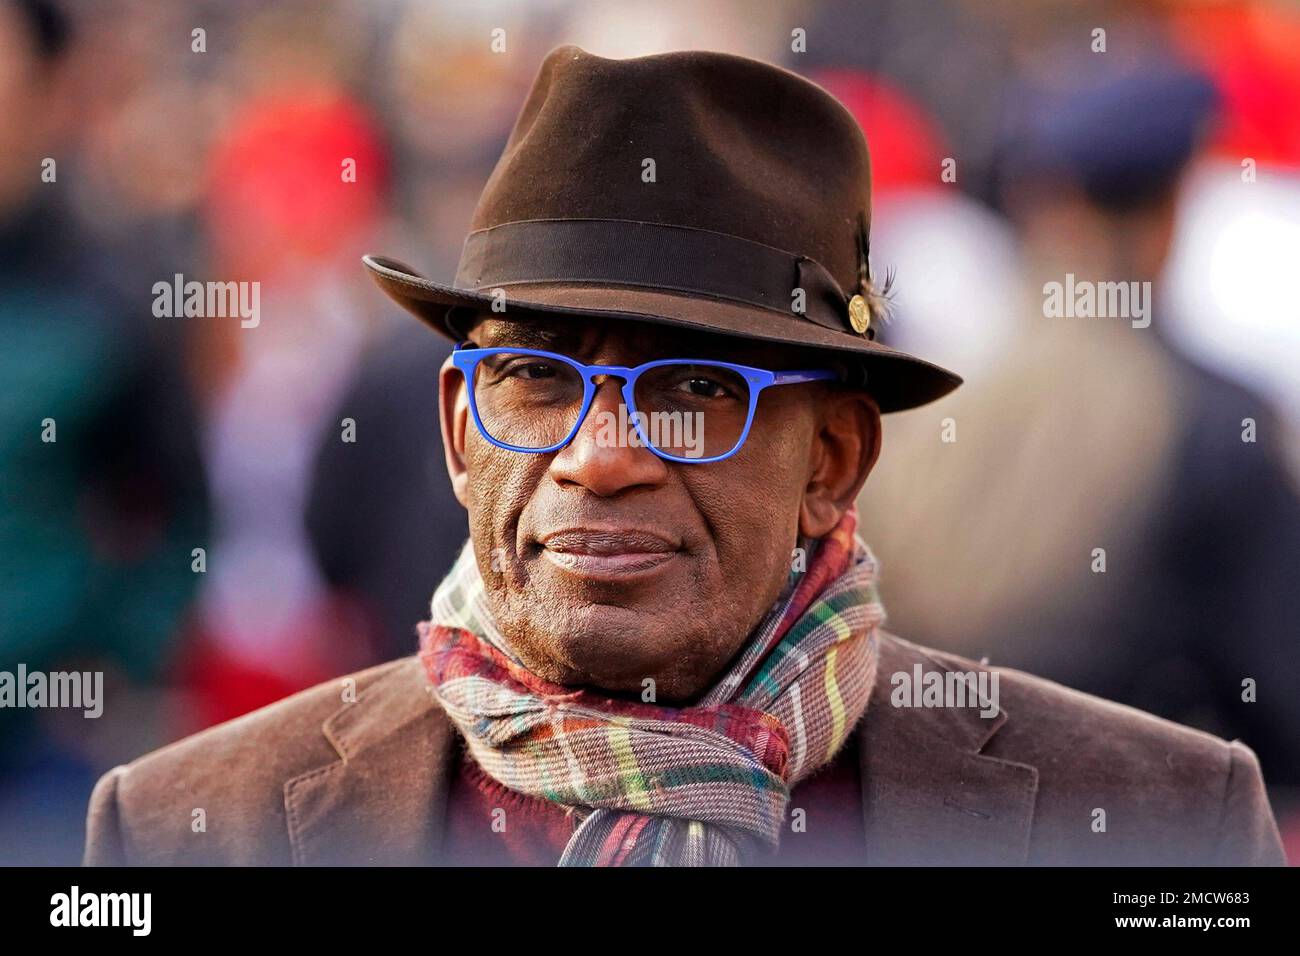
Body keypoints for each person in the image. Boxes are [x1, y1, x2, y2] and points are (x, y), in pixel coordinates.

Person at [84, 46, 1284, 867]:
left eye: (697, 389)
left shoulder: (1150, 817)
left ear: (833, 461)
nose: (599, 457)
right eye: (537, 376)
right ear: (458, 432)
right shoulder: (194, 828)